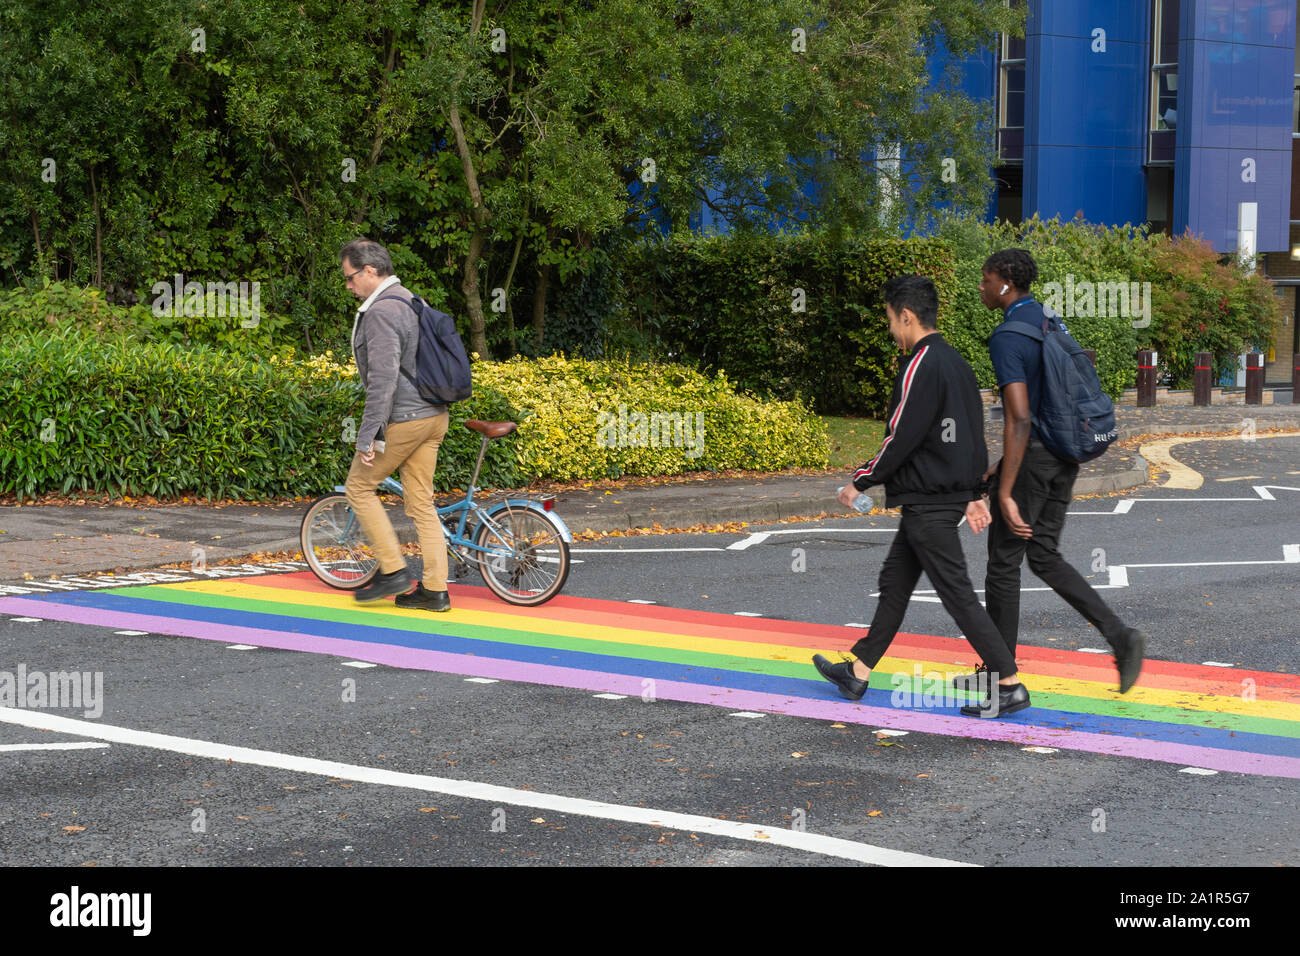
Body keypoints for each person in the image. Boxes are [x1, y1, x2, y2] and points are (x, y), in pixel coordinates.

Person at [812, 275, 1029, 718]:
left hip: (929, 500)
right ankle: (858, 670)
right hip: (937, 497)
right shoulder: (957, 363)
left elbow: (902, 435)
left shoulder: (920, 363)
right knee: (895, 582)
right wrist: (973, 492)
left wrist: (861, 480)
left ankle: (1008, 683)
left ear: (907, 316)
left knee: (956, 594)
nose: (891, 329)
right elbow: (972, 435)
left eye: (891, 320)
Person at [968, 248, 1144, 693]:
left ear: (1006, 283)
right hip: (1066, 451)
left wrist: (1005, 489)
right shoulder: (1047, 319)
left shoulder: (1008, 336)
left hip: (1036, 456)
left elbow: (1020, 417)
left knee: (1003, 563)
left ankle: (997, 678)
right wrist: (1004, 464)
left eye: (986, 279)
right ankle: (1120, 637)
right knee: (1043, 555)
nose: (982, 287)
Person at [340, 238, 452, 610]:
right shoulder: (411, 299)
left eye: (351, 277)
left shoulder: (382, 311)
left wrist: (369, 434)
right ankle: (435, 591)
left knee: (358, 487)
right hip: (435, 415)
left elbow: (383, 380)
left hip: (406, 417)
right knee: (421, 502)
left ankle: (393, 571)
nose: (349, 286)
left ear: (370, 271)